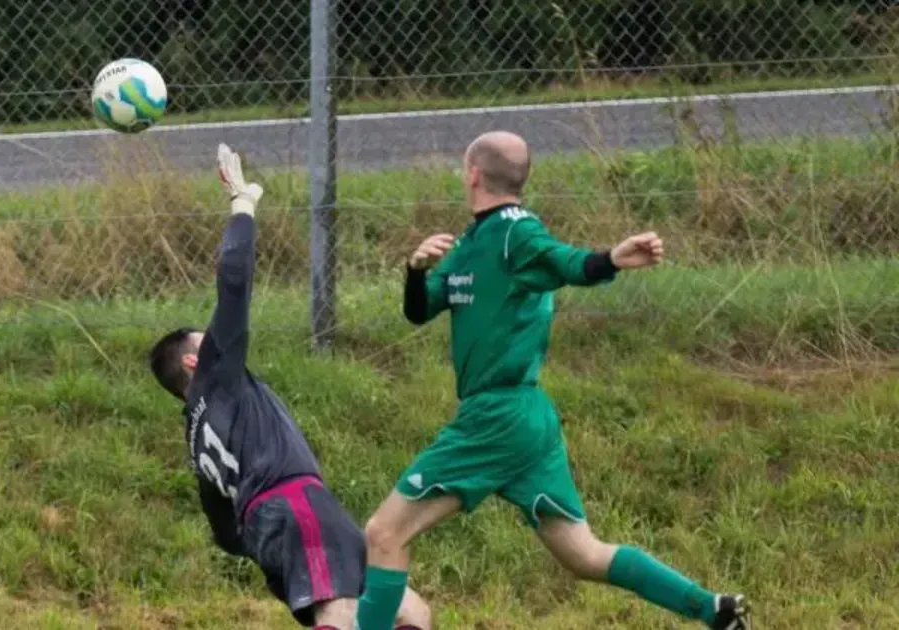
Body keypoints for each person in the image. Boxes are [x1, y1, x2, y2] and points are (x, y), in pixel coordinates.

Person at [354, 131, 752, 630]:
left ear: (473, 174)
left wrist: (610, 259)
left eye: (463, 169)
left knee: (384, 534)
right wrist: (415, 270)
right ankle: (712, 609)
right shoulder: (473, 241)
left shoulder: (517, 234)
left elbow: (565, 262)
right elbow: (420, 310)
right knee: (583, 556)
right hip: (525, 422)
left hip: (496, 417)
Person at [148, 144, 432, 630]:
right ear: (196, 360)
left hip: (280, 518)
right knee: (340, 612)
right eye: (206, 339)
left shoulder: (195, 436)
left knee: (409, 610)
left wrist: (263, 536)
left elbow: (222, 530)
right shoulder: (216, 373)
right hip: (294, 504)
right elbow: (233, 283)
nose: (218, 340)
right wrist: (242, 206)